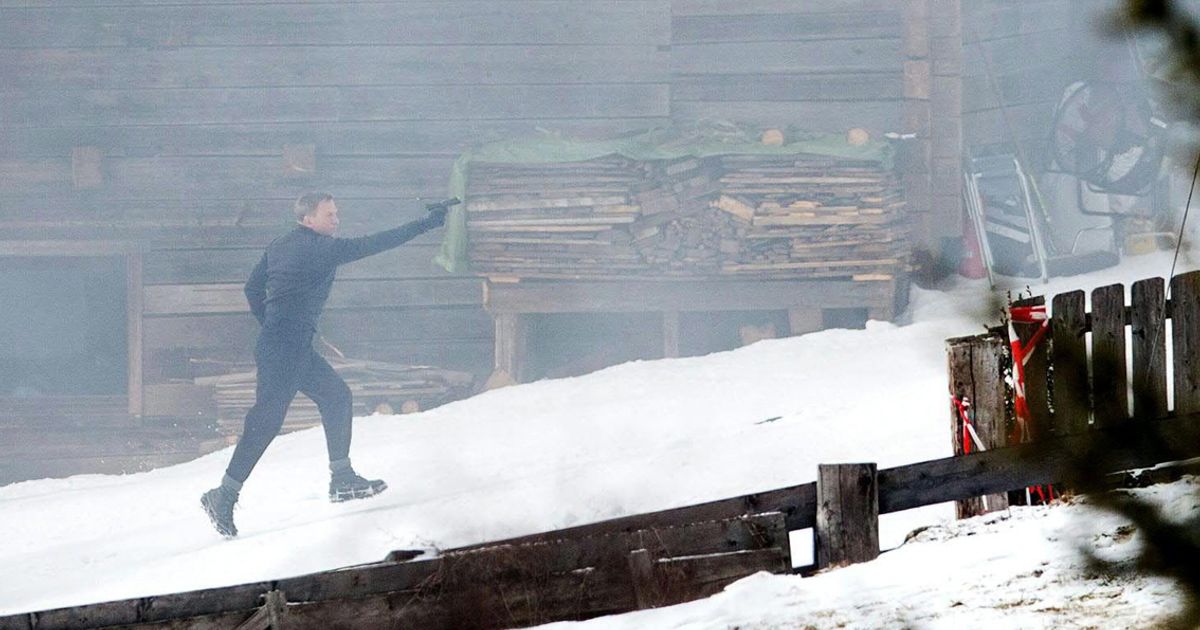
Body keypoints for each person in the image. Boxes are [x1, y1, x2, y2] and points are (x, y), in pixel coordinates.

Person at [201, 191, 449, 537]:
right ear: (307, 219)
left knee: (336, 397)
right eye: (329, 215)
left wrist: (274, 323)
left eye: (336, 213)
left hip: (288, 345)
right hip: (285, 348)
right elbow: (376, 243)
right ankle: (223, 495)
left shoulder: (280, 244)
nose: (336, 219)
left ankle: (342, 478)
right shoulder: (320, 249)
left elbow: (251, 289)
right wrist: (427, 223)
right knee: (266, 422)